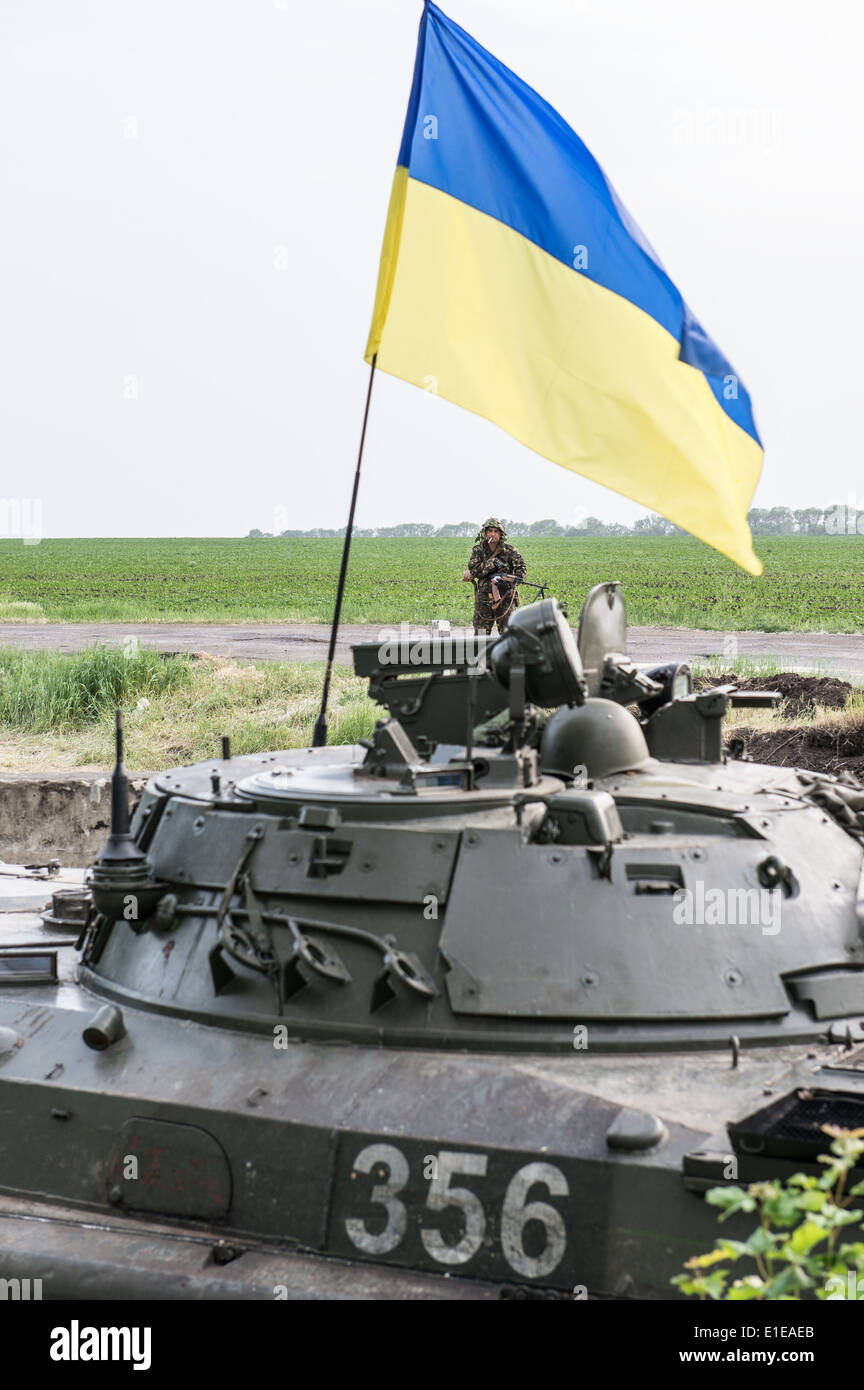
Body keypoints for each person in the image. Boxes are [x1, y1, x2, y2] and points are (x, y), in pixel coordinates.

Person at [463, 517, 527, 634]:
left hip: (505, 597)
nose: (493, 534)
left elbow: (522, 570)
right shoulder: (479, 550)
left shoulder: (510, 550)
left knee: (508, 634)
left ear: (501, 533)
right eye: (490, 531)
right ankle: (482, 652)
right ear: (485, 533)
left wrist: (509, 580)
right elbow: (474, 570)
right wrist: (492, 564)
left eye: (496, 531)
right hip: (484, 598)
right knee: (480, 634)